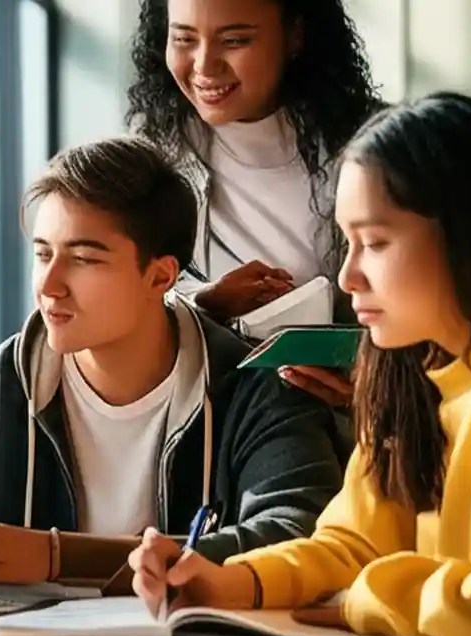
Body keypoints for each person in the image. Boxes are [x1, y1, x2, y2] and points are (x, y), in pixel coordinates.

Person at [127, 92, 471, 636]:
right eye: (348, 243)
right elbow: (353, 543)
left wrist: (365, 598)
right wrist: (229, 581)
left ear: (469, 234)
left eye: (376, 243)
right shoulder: (413, 364)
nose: (347, 276)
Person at [0, 136, 343, 598]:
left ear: (160, 276)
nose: (50, 285)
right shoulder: (1, 384)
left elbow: (298, 536)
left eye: (83, 259)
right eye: (42, 254)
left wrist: (60, 556)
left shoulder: (255, 388)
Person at [127, 0, 383, 407]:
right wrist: (206, 301)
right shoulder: (157, 151)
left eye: (234, 40)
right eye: (184, 39)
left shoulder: (376, 149)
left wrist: (376, 393)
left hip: (346, 431)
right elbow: (121, 299)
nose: (205, 67)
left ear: (295, 36)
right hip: (211, 426)